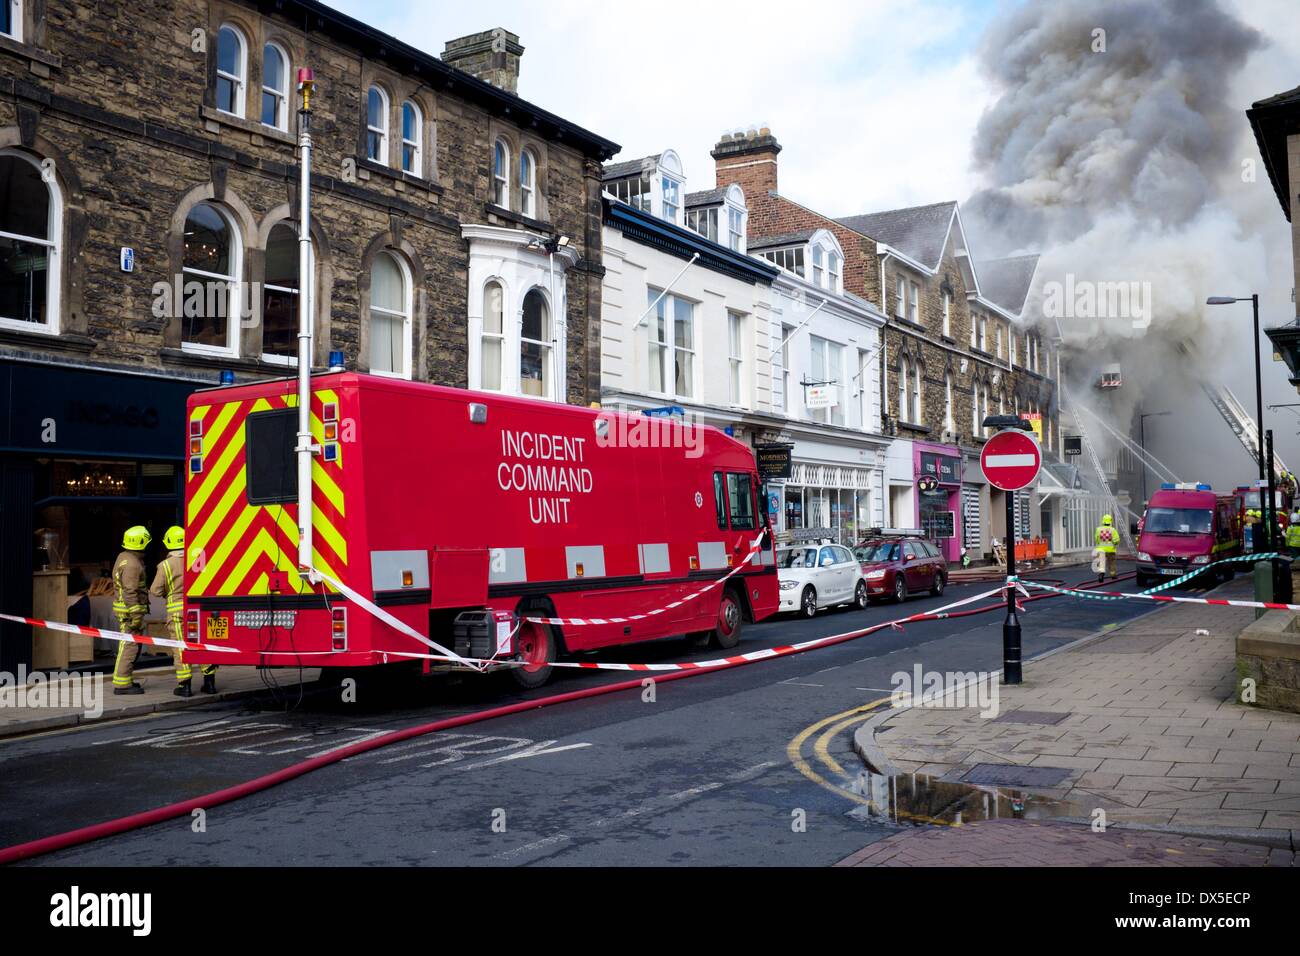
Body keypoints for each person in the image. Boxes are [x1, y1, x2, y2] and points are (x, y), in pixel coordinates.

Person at [150, 525, 218, 697]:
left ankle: (185, 686)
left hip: (176, 613)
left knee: (180, 648)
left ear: (168, 543)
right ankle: (209, 683)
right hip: (198, 609)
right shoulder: (197, 559)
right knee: (201, 645)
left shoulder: (165, 565)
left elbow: (155, 591)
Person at [111, 526, 151, 695]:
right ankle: (122, 685)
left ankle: (125, 679)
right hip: (129, 614)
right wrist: (136, 616)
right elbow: (130, 592)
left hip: (125, 612)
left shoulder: (123, 557)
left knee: (129, 645)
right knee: (130, 647)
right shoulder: (133, 565)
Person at [1094, 514, 1119, 583]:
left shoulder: (1098, 529)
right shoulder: (1113, 530)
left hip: (1101, 550)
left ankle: (1101, 575)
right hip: (1111, 550)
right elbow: (1116, 540)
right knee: (1111, 563)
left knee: (1101, 562)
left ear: (1103, 521)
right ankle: (1113, 575)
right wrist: (1114, 544)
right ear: (1110, 521)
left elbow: (1096, 539)